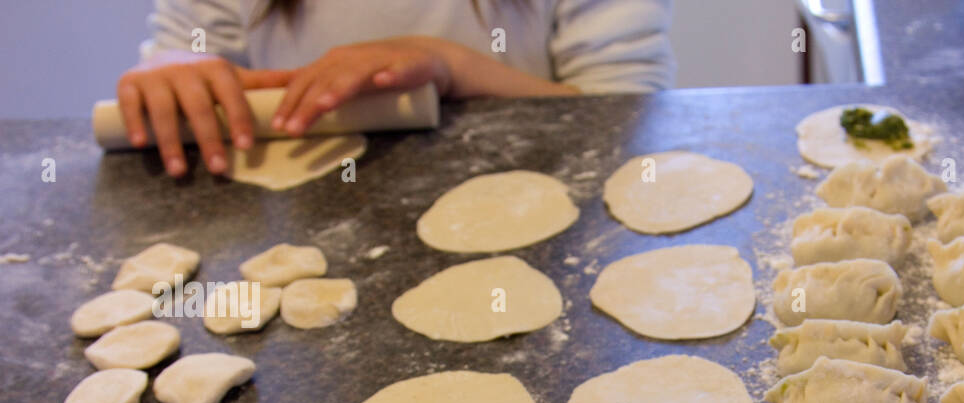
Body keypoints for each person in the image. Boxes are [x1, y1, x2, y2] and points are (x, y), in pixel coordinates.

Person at [117, 0, 674, 178]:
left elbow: (627, 114)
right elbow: (187, 50)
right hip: (303, 233)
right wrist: (171, 70)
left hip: (539, 198)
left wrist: (451, 65)